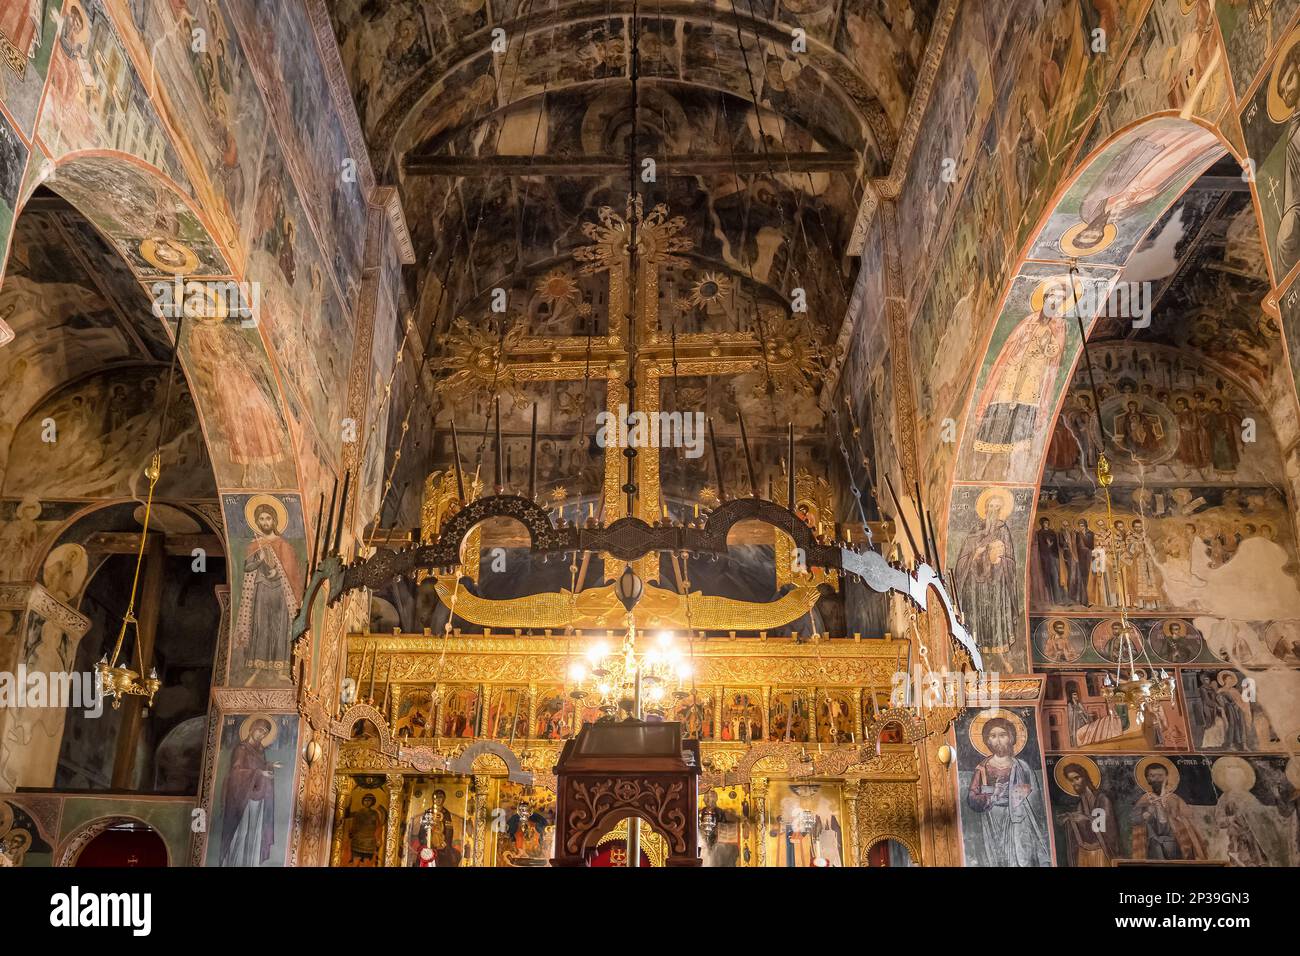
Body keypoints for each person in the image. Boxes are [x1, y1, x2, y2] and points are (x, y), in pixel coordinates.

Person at [233, 499, 304, 683]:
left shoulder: (284, 546)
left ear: (275, 521)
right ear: (257, 522)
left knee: (279, 628)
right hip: (261, 591)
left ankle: (281, 668)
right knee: (261, 625)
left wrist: (277, 572)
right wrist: (259, 559)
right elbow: (248, 568)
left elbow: (292, 573)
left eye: (268, 518)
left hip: (280, 593)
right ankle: (257, 667)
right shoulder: (254, 545)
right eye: (262, 519)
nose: (265, 522)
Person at [965, 716, 1050, 866]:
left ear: (1011, 738)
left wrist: (1020, 797)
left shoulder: (1022, 767)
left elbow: (1036, 801)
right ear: (987, 741)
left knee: (1021, 859)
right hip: (992, 821)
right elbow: (972, 798)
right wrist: (992, 797)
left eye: (1002, 735)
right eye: (993, 736)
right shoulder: (982, 768)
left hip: (1019, 822)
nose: (998, 740)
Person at [219, 717, 280, 866]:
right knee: (242, 832)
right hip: (242, 797)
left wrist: (269, 765)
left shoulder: (260, 750)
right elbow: (236, 772)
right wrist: (260, 773)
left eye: (265, 733)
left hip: (257, 797)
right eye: (260, 730)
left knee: (255, 833)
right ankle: (233, 863)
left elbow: (260, 765)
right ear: (252, 728)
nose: (261, 735)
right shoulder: (241, 749)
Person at [1131, 761, 1206, 860]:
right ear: (1147, 779)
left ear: (1166, 778)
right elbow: (1134, 820)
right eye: (1153, 776)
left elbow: (1188, 818)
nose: (1157, 779)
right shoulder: (1144, 799)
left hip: (1175, 843)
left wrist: (1172, 813)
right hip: (1153, 845)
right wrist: (1147, 813)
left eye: (1160, 776)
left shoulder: (1174, 799)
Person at [1055, 760, 1118, 866]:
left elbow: (1107, 827)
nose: (1074, 783)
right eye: (1071, 780)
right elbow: (1083, 829)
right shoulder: (1081, 803)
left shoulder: (1102, 799)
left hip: (1102, 850)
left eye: (1077, 778)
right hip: (1087, 851)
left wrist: (1084, 818)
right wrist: (1070, 818)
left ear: (1085, 777)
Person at [346, 794, 384, 866]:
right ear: (362, 801)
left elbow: (378, 826)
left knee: (367, 863)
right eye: (365, 800)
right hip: (358, 840)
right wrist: (348, 806)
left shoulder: (374, 814)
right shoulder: (358, 812)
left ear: (372, 802)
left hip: (369, 842)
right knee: (355, 862)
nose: (367, 802)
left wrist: (379, 838)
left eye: (369, 800)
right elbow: (347, 816)